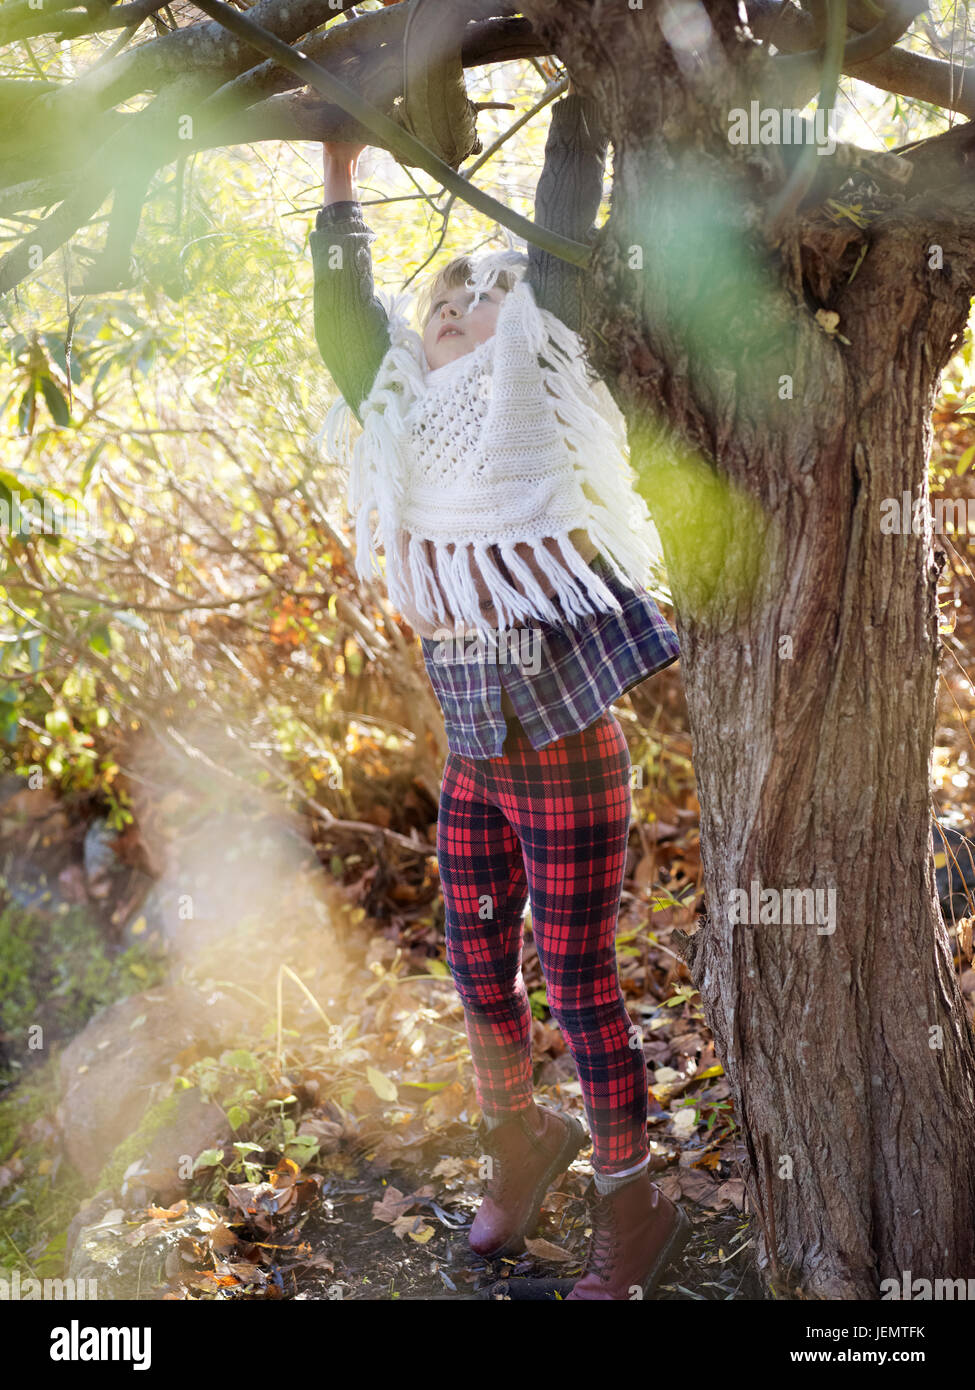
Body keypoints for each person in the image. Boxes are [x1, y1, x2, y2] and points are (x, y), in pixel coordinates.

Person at [311, 88, 689, 1300]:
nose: (454, 322)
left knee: (578, 978)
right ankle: (521, 1140)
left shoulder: (527, 386)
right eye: (441, 308)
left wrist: (589, 112)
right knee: (477, 957)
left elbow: (555, 259)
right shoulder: (406, 420)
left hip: (568, 745)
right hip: (480, 746)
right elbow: (345, 325)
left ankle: (635, 1207)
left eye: (477, 308)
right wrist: (338, 185)